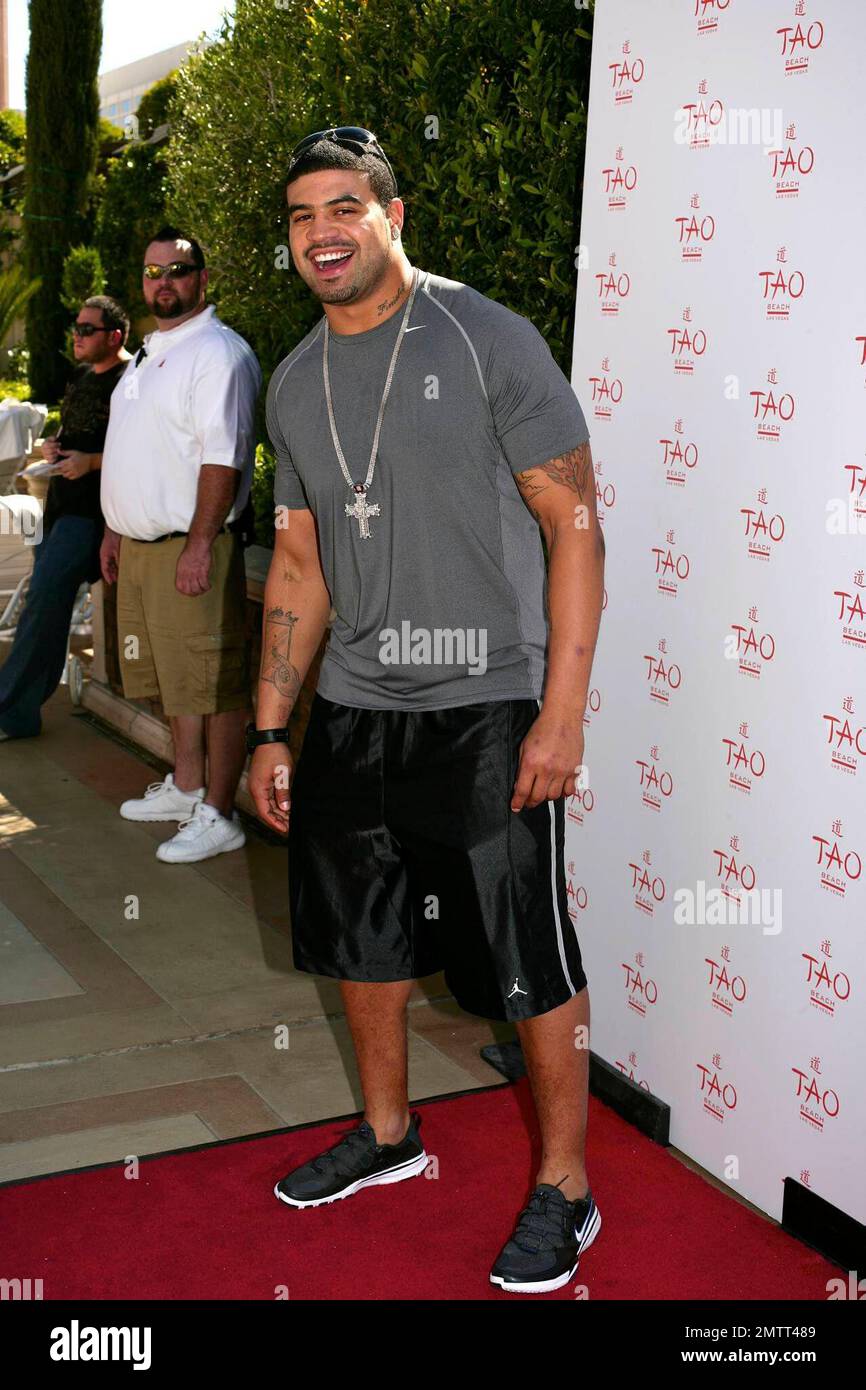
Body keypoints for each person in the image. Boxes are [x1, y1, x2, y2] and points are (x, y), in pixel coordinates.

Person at [249, 128, 606, 1295]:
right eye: (302, 215)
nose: (323, 232)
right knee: (362, 938)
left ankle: (565, 1188)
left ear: (393, 215)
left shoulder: (485, 337)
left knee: (521, 953)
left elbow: (573, 525)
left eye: (344, 206)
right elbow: (297, 564)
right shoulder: (294, 380)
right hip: (355, 701)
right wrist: (267, 725)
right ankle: (391, 1136)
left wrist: (560, 713)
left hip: (489, 697)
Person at [99, 226, 262, 863]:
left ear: (201, 279)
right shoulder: (149, 353)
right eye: (152, 271)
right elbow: (133, 450)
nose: (163, 282)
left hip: (187, 545)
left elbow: (222, 459)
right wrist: (115, 528)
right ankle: (187, 785)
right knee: (173, 681)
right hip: (141, 549)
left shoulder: (217, 353)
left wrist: (199, 543)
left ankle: (220, 813)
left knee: (212, 683)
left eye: (178, 270)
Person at [0, 296, 130, 741]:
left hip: (91, 517)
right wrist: (54, 447)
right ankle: (19, 713)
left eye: (87, 329)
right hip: (59, 510)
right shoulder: (80, 377)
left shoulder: (130, 381)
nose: (77, 336)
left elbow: (144, 450)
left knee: (40, 607)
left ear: (115, 336)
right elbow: (76, 431)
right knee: (48, 612)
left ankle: (8, 710)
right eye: (76, 328)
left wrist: (91, 463)